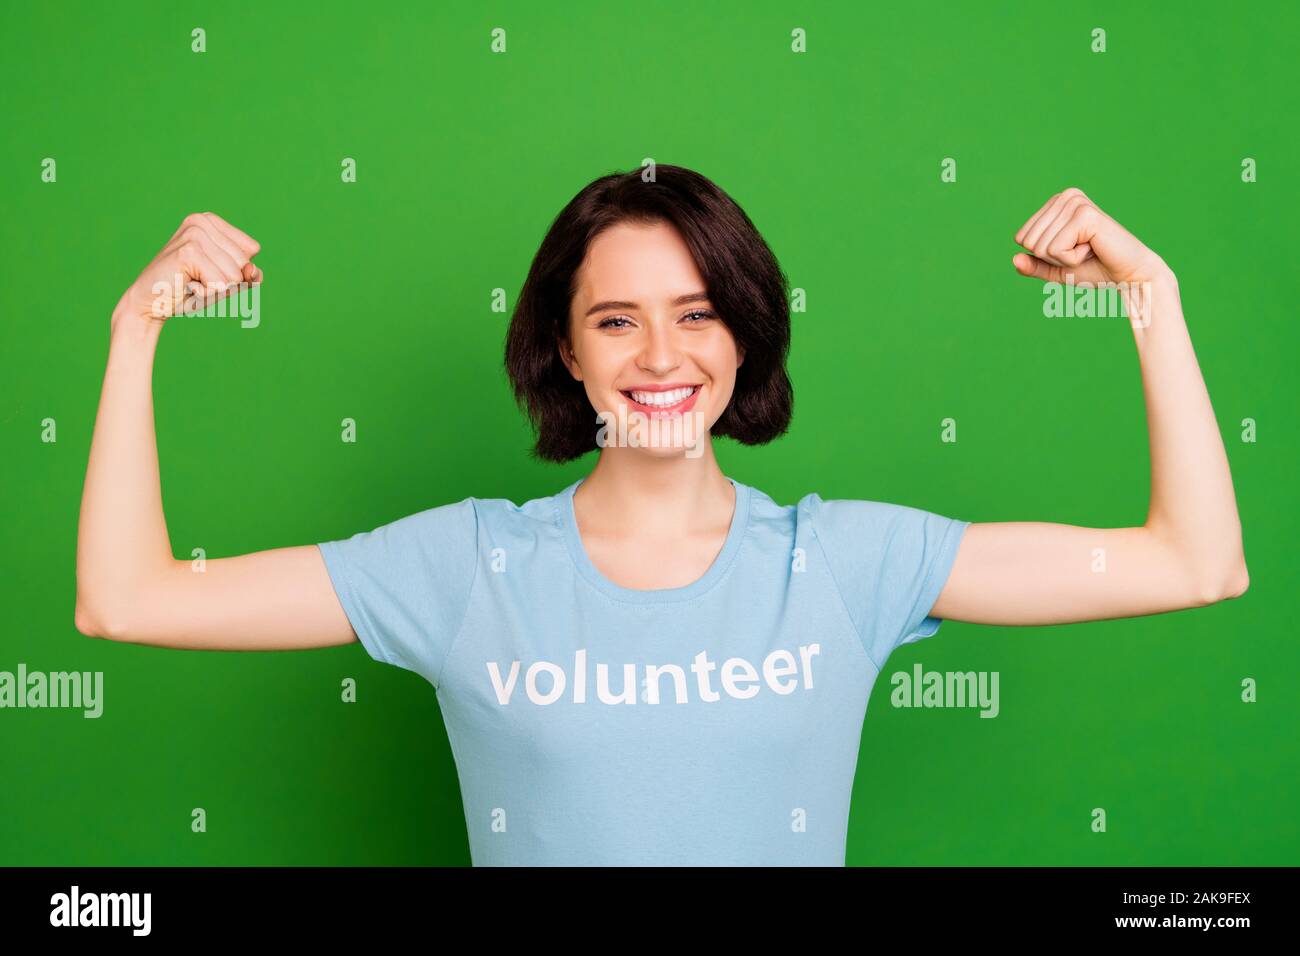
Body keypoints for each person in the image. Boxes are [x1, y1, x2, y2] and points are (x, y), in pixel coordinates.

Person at [75, 165, 1248, 866]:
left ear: (743, 335)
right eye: (615, 320)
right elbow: (127, 599)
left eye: (697, 313)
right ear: (563, 352)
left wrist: (1150, 299)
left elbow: (1193, 561)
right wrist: (138, 330)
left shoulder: (845, 560)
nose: (661, 357)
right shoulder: (464, 565)